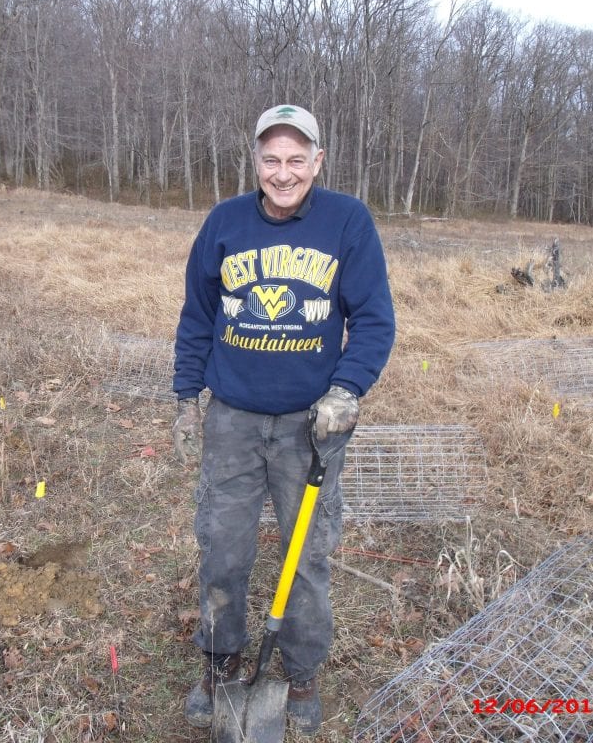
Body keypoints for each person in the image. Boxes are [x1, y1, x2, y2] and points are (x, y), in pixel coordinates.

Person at [171, 104, 395, 736]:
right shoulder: (225, 222)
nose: (284, 171)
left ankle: (300, 671)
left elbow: (374, 318)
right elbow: (197, 316)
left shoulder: (347, 221)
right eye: (272, 159)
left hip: (311, 426)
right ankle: (221, 659)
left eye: (297, 159)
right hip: (234, 420)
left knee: (308, 553)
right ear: (256, 162)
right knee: (222, 544)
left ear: (318, 162)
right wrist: (187, 395)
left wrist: (347, 390)